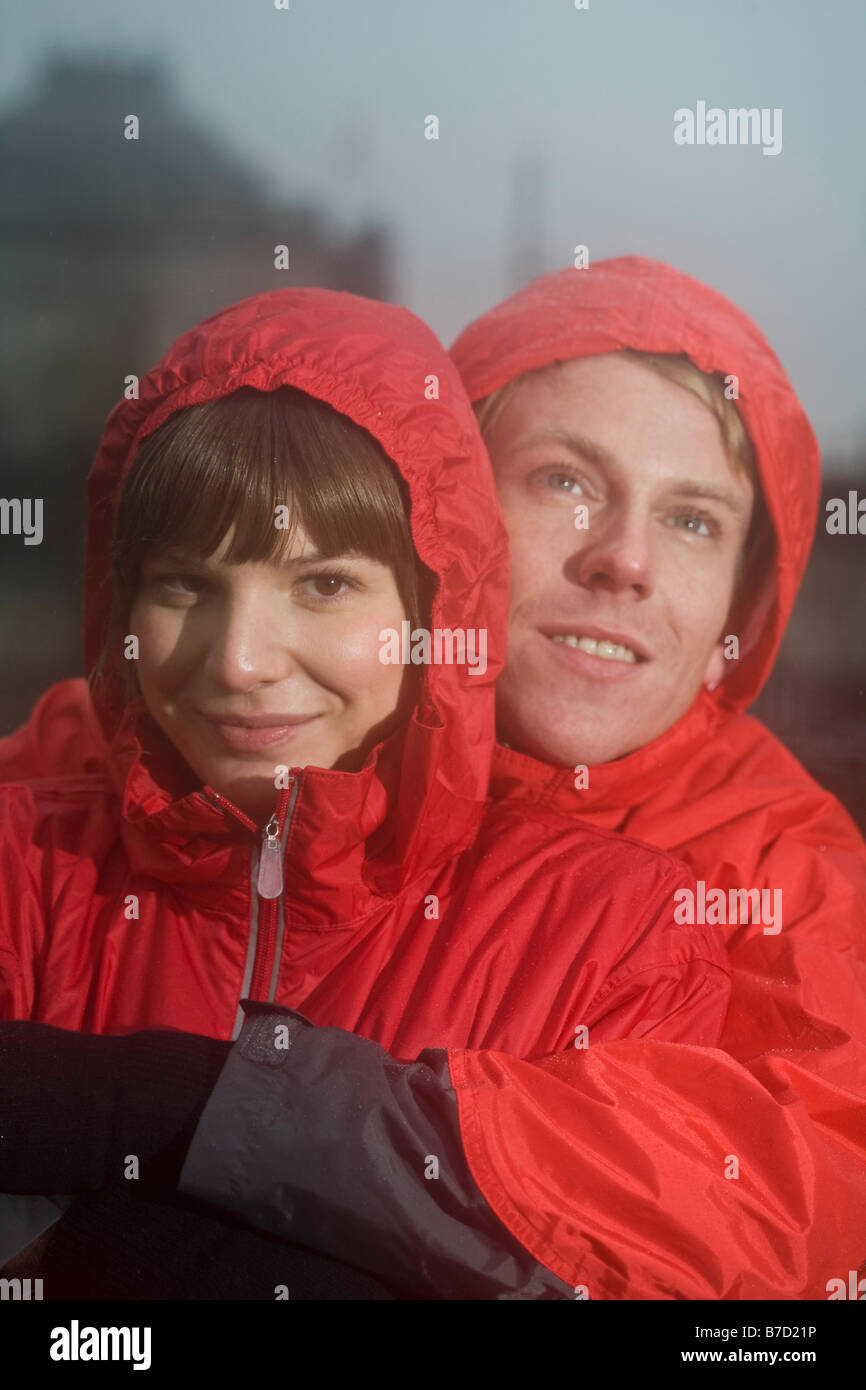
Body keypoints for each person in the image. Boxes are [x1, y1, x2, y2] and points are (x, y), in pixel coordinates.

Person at [0, 287, 730, 1300]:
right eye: (183, 584)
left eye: (324, 584)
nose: (242, 660)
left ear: (437, 606)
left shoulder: (613, 934)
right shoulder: (19, 871)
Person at [444, 255, 866, 1297]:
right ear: (445, 502)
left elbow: (793, 1198)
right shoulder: (236, 723)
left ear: (739, 598)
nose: (621, 559)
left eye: (690, 520)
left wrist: (296, 1123)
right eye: (565, 481)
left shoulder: (785, 866)